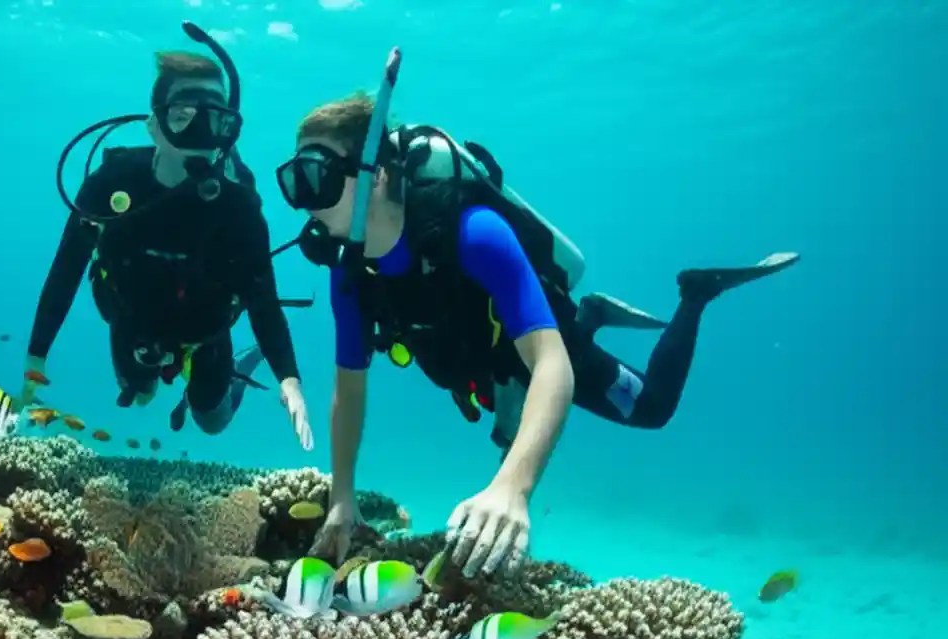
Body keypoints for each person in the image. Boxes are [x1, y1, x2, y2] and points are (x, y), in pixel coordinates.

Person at [278, 68, 798, 578]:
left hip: (538, 345)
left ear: (379, 173)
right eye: (294, 180)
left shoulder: (474, 232)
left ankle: (694, 294)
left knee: (652, 408)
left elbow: (552, 364)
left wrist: (515, 489)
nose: (303, 201)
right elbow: (349, 389)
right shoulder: (350, 272)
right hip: (482, 368)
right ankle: (595, 314)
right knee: (508, 432)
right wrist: (341, 498)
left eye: (317, 176)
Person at [21, 25, 313, 449]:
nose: (198, 133)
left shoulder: (239, 208)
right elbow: (65, 270)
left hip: (207, 329)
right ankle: (151, 376)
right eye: (182, 116)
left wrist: (289, 378)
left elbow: (263, 302)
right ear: (153, 125)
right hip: (131, 322)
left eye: (213, 119)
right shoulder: (110, 185)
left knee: (211, 421)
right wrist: (36, 355)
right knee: (139, 393)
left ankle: (238, 366)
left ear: (227, 131)